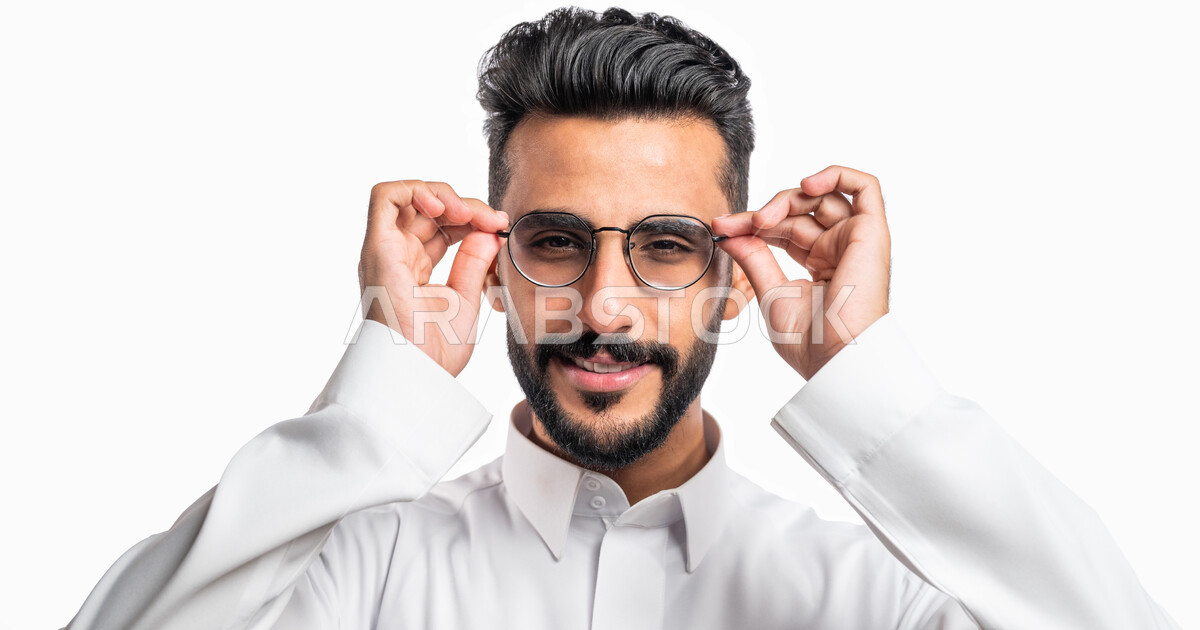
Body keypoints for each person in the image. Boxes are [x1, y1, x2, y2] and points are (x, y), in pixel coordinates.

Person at [63, 6, 1179, 630]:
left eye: (665, 247)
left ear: (734, 274)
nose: (602, 307)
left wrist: (866, 370)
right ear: (492, 266)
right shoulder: (356, 567)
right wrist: (382, 387)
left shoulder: (872, 596)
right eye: (555, 242)